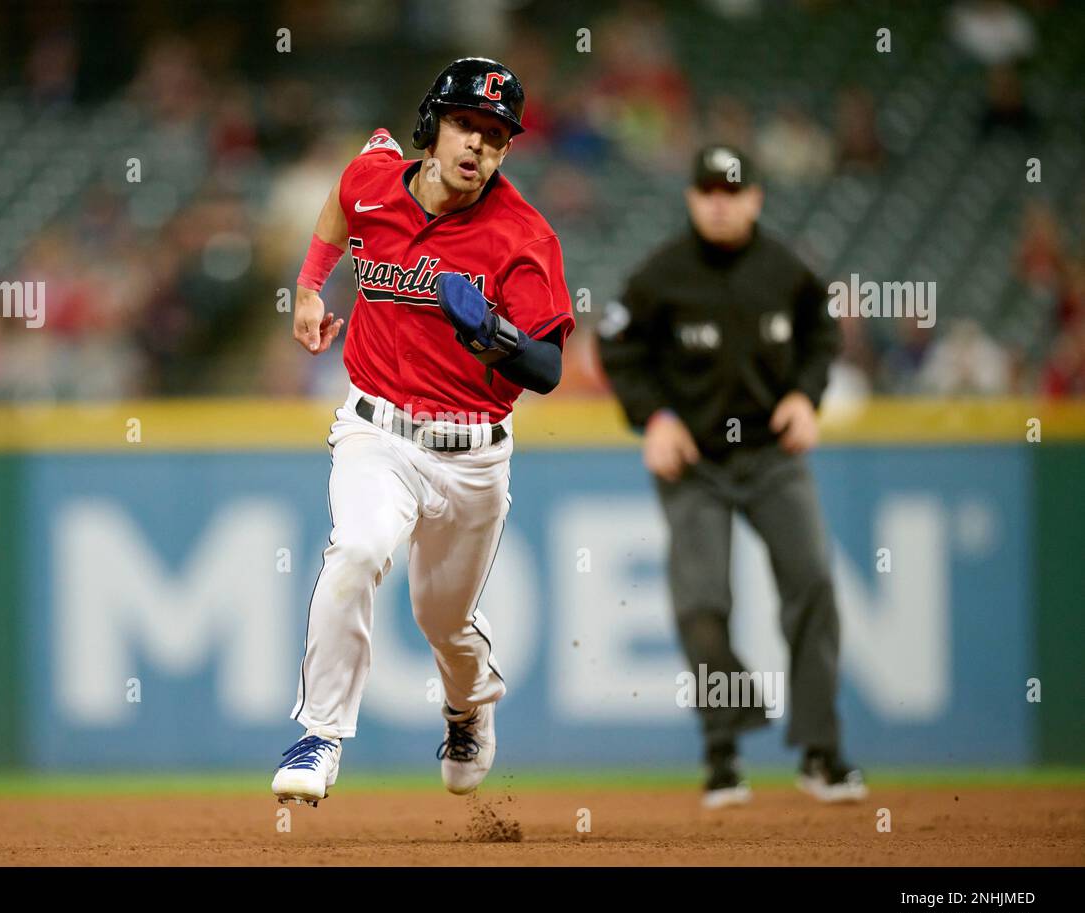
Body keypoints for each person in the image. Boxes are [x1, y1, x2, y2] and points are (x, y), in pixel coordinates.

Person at [272, 58, 574, 805]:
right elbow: (342, 201)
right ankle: (320, 736)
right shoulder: (375, 179)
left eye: (498, 137)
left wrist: (495, 336)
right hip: (376, 430)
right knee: (359, 547)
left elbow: (547, 367)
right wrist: (309, 287)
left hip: (472, 458)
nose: (479, 145)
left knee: (442, 620)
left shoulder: (521, 236)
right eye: (468, 124)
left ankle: (469, 706)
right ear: (433, 126)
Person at [597, 145, 866, 808]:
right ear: (692, 198)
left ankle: (821, 753)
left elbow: (822, 334)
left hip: (771, 455)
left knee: (813, 586)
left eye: (733, 189)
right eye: (708, 189)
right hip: (696, 462)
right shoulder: (660, 276)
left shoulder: (787, 269)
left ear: (757, 198)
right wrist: (653, 416)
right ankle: (723, 752)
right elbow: (616, 345)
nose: (720, 200)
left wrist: (807, 394)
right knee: (701, 604)